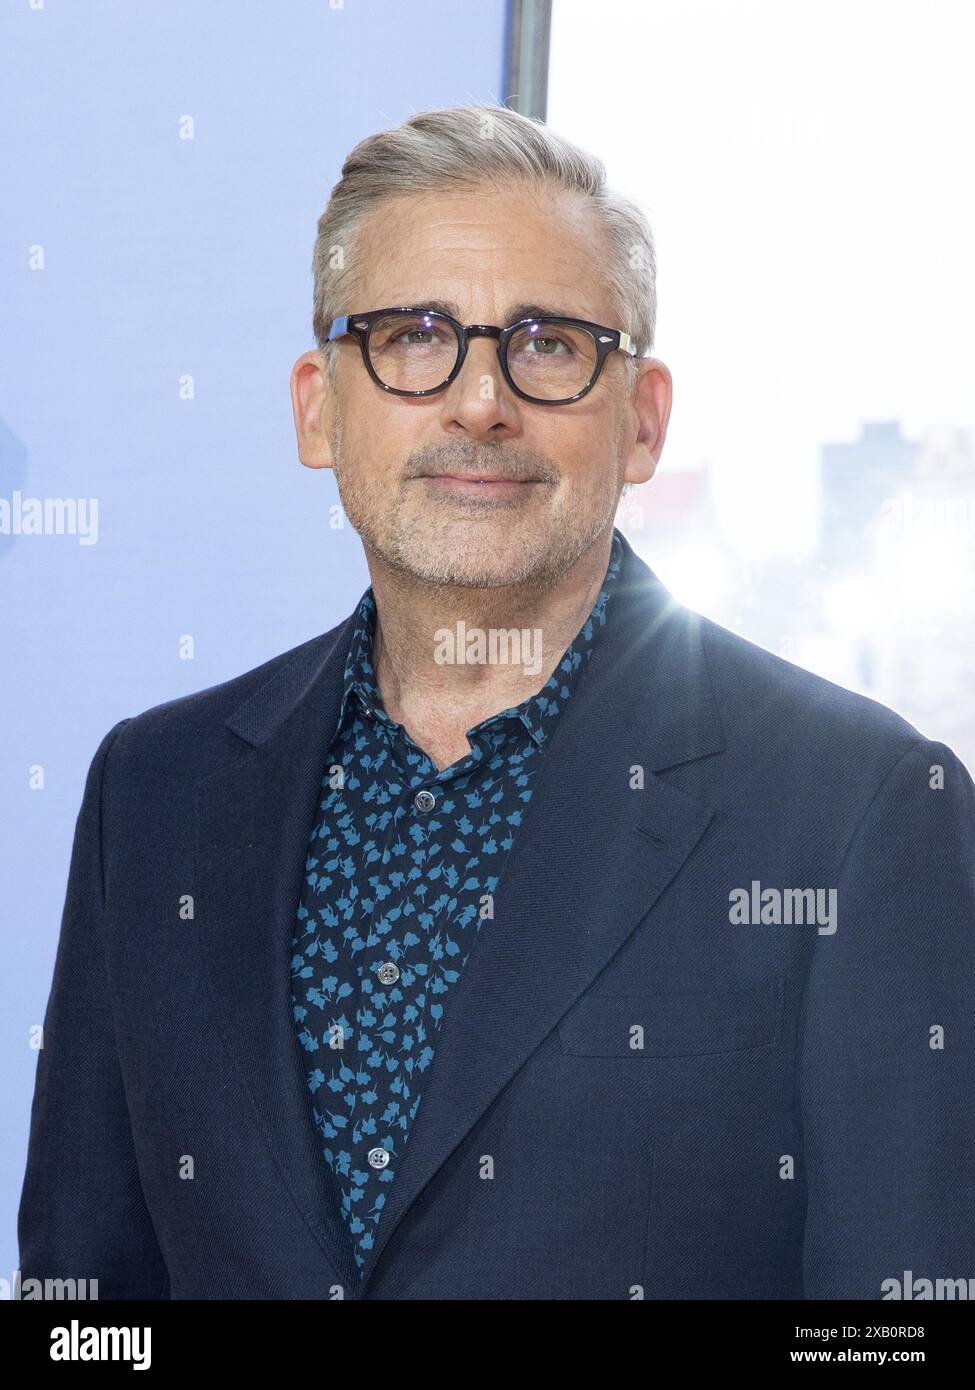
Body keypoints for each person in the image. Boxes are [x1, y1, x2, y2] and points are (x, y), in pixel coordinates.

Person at [18, 104, 975, 1301]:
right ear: (319, 406)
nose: (480, 401)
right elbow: (83, 1304)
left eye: (549, 342)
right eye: (416, 336)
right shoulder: (151, 795)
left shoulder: (859, 809)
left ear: (642, 418)